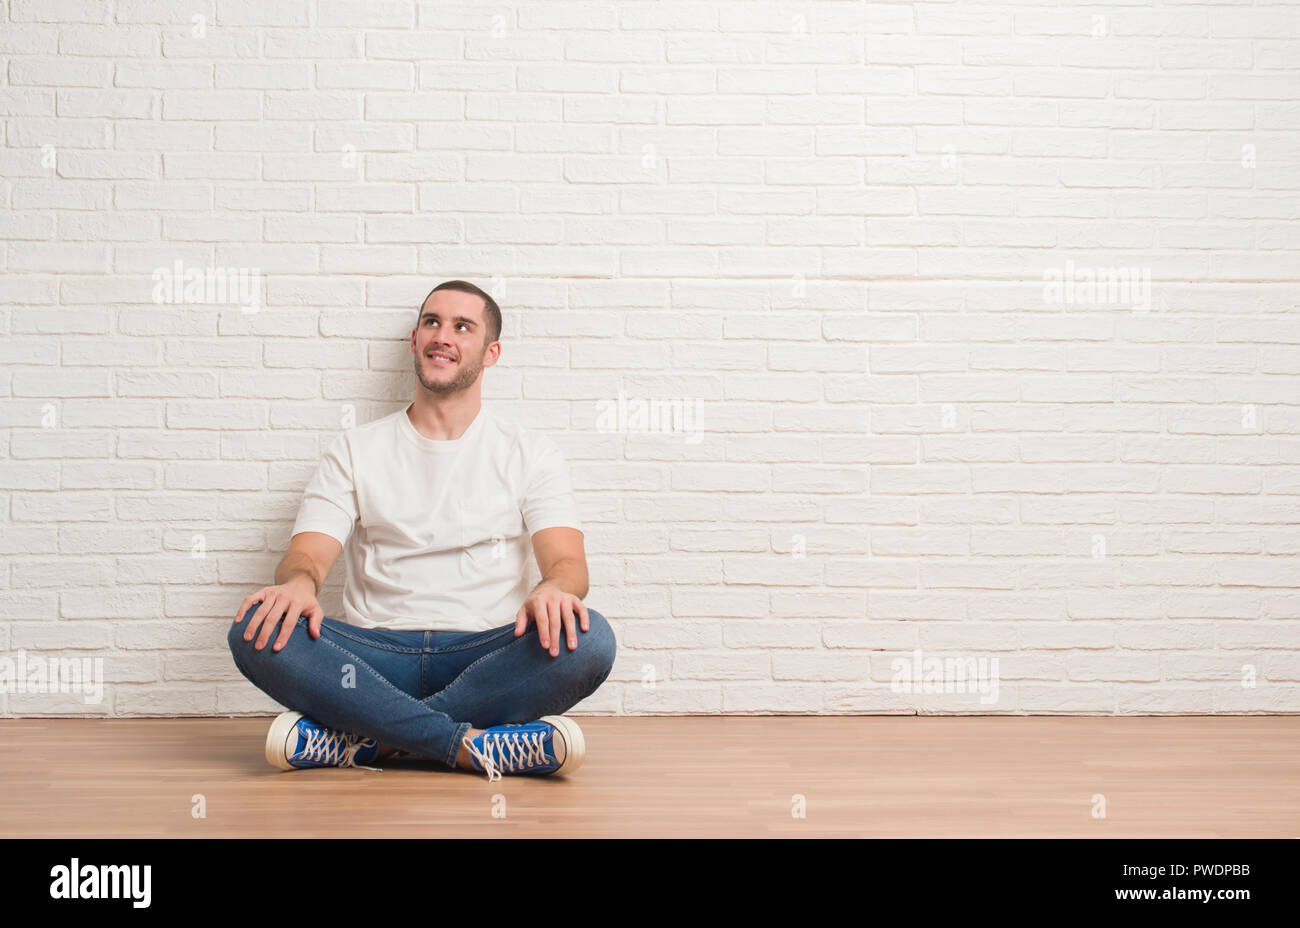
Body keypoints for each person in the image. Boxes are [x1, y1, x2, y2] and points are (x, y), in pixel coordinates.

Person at [227, 280, 616, 782]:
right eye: (432, 322)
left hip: (485, 657)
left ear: (490, 352)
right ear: (414, 339)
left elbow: (568, 566)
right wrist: (299, 584)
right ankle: (467, 746)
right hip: (371, 659)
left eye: (462, 326)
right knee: (254, 628)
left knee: (592, 640)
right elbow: (307, 555)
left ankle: (372, 740)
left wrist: (554, 589)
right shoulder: (356, 449)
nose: (442, 336)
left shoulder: (530, 453)